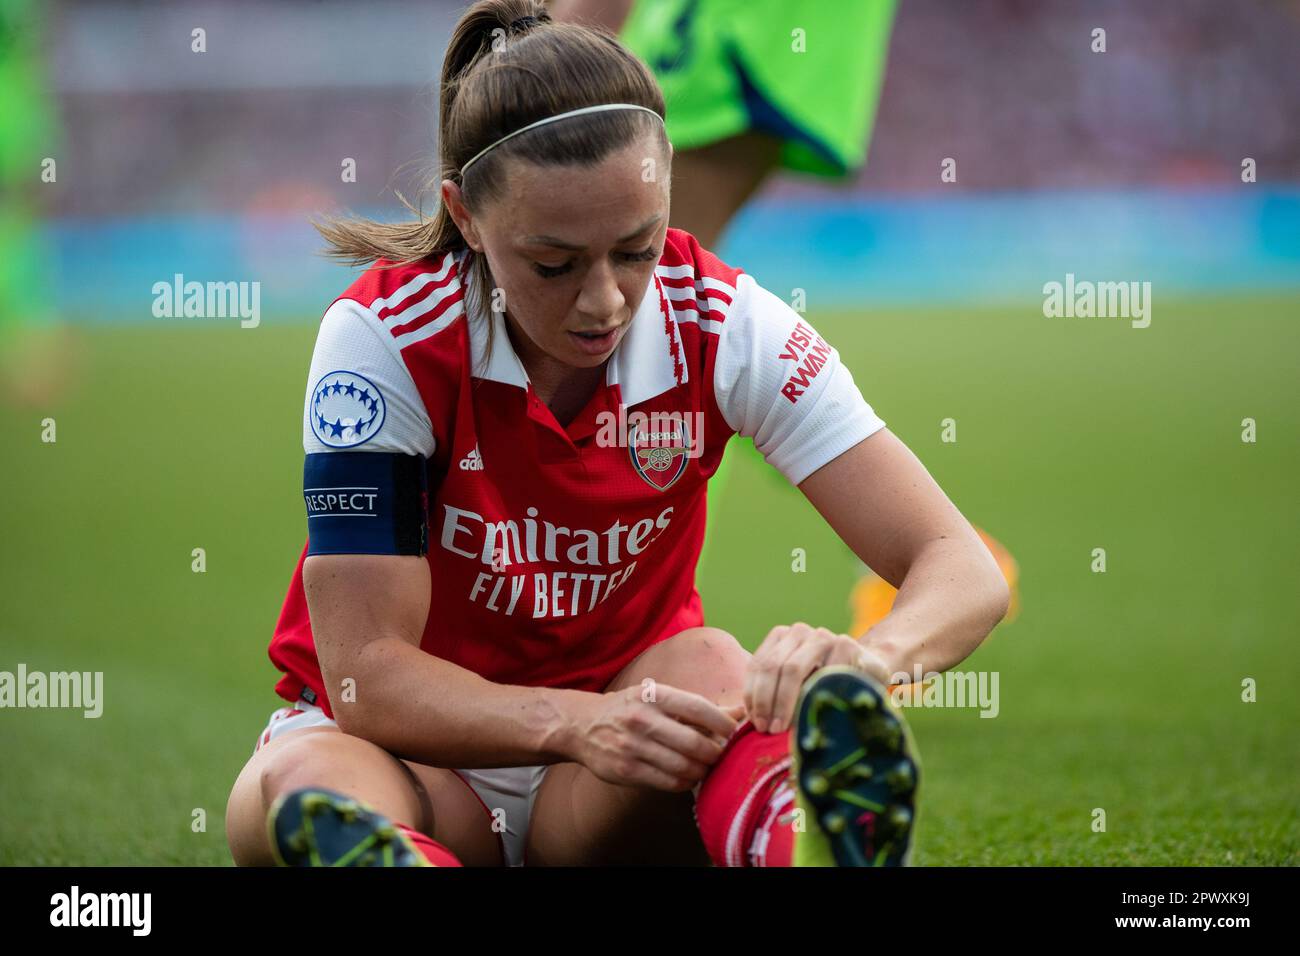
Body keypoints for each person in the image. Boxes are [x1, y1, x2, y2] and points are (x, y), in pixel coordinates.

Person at [224, 0, 1008, 868]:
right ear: (467, 216)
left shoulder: (725, 322)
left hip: (616, 776)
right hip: (420, 759)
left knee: (713, 669)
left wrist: (869, 661)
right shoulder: (384, 338)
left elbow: (959, 562)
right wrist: (572, 721)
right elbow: (363, 673)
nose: (603, 302)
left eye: (635, 249)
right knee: (295, 783)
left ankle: (795, 835)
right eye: (553, 264)